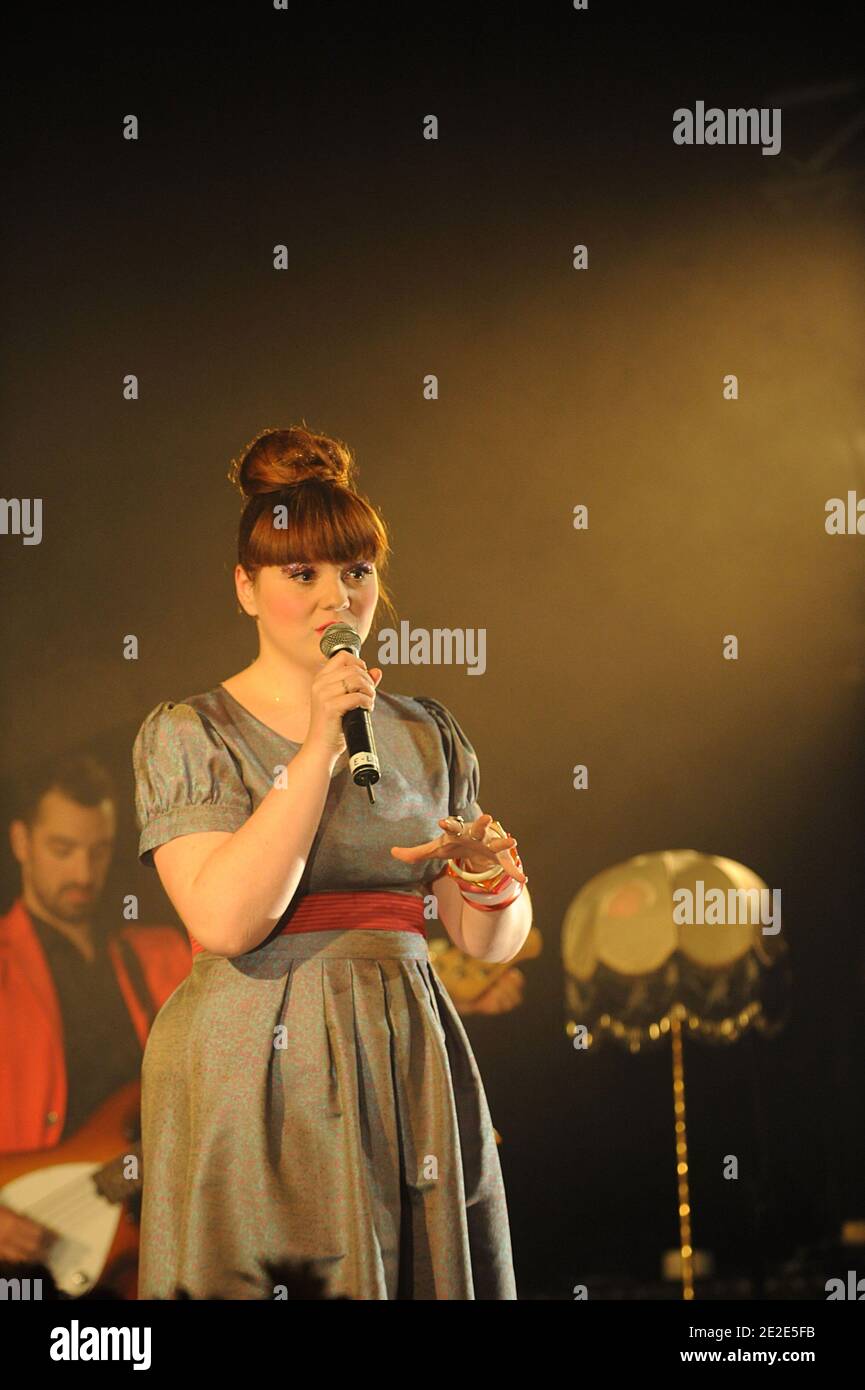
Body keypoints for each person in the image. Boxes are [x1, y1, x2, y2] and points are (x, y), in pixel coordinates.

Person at [131, 424, 532, 1300]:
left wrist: (483, 873)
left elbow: (487, 943)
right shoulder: (190, 733)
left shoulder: (425, 732)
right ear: (246, 587)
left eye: (355, 572)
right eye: (300, 574)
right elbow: (227, 920)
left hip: (407, 1050)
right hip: (260, 1059)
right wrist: (316, 743)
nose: (335, 599)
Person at [0, 752, 190, 1273]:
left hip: (152, 1244)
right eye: (62, 850)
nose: (83, 872)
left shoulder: (159, 953)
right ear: (21, 842)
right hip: (33, 1249)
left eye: (98, 851)